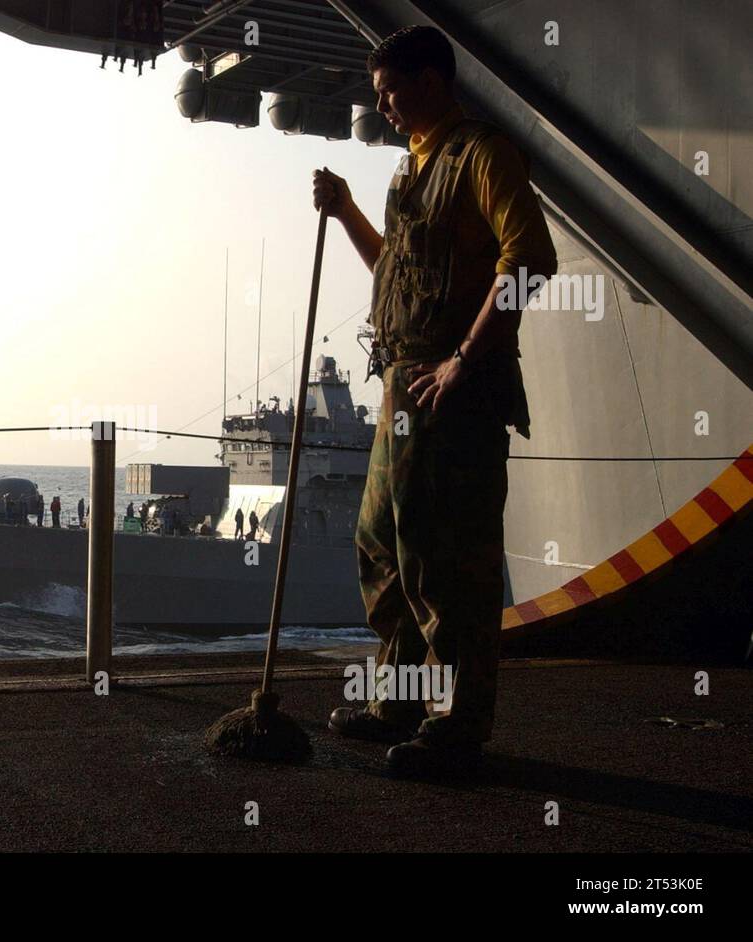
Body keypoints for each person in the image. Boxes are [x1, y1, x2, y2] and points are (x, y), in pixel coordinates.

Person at [315, 26, 556, 776]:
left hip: (460, 390)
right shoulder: (404, 175)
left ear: (430, 80)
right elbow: (394, 272)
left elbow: (531, 259)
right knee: (384, 543)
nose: (382, 105)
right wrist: (350, 209)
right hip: (402, 386)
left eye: (391, 90)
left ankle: (458, 725)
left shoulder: (482, 154)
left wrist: (459, 361)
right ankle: (401, 698)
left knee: (449, 560)